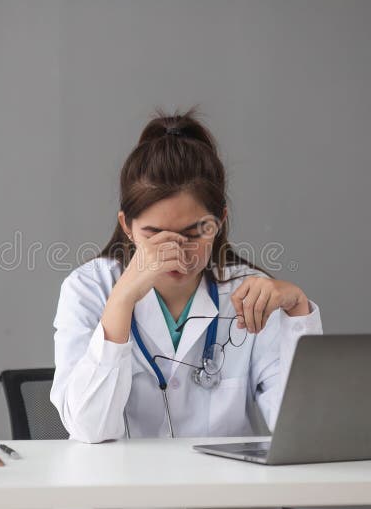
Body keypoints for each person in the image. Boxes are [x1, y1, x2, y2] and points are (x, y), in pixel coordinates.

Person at [50, 108, 323, 443]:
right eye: (155, 235)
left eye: (194, 234)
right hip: (123, 492)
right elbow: (88, 429)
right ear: (127, 226)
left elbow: (304, 430)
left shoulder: (250, 293)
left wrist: (297, 312)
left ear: (219, 221)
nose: (176, 254)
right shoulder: (89, 288)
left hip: (226, 494)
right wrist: (121, 300)